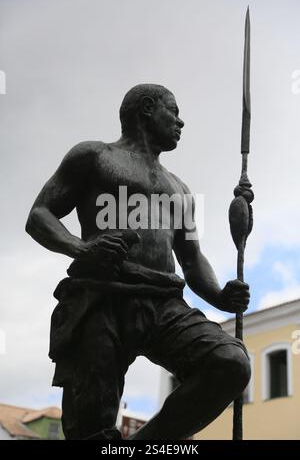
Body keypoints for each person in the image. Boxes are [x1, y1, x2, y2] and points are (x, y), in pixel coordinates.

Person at [26, 84, 250, 440]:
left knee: (229, 363)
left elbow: (191, 261)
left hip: (164, 303)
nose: (181, 121)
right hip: (102, 297)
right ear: (147, 108)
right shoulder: (94, 156)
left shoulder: (180, 188)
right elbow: (39, 215)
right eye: (173, 111)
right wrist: (81, 249)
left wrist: (220, 296)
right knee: (91, 431)